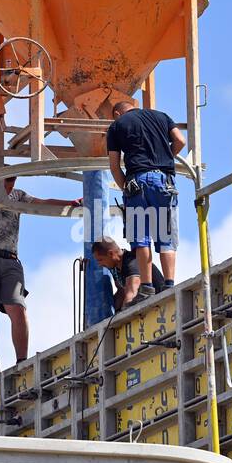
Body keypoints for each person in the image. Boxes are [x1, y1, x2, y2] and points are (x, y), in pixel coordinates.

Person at [0, 144, 80, 378]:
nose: (10, 185)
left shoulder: (18, 196)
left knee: (17, 307)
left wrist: (71, 204)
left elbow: (41, 202)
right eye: (7, 180)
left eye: (13, 180)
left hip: (10, 259)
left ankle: (21, 361)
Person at [105, 98, 185, 306]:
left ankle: (147, 287)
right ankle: (169, 284)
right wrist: (166, 158)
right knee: (166, 236)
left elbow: (114, 166)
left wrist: (125, 188)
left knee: (141, 239)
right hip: (163, 181)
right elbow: (180, 141)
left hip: (136, 183)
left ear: (117, 114)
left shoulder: (116, 126)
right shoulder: (161, 116)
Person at [91, 237, 166, 311]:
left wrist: (120, 319)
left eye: (100, 260)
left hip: (161, 304)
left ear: (110, 253)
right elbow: (122, 291)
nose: (100, 264)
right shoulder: (114, 267)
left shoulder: (131, 262)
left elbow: (132, 293)